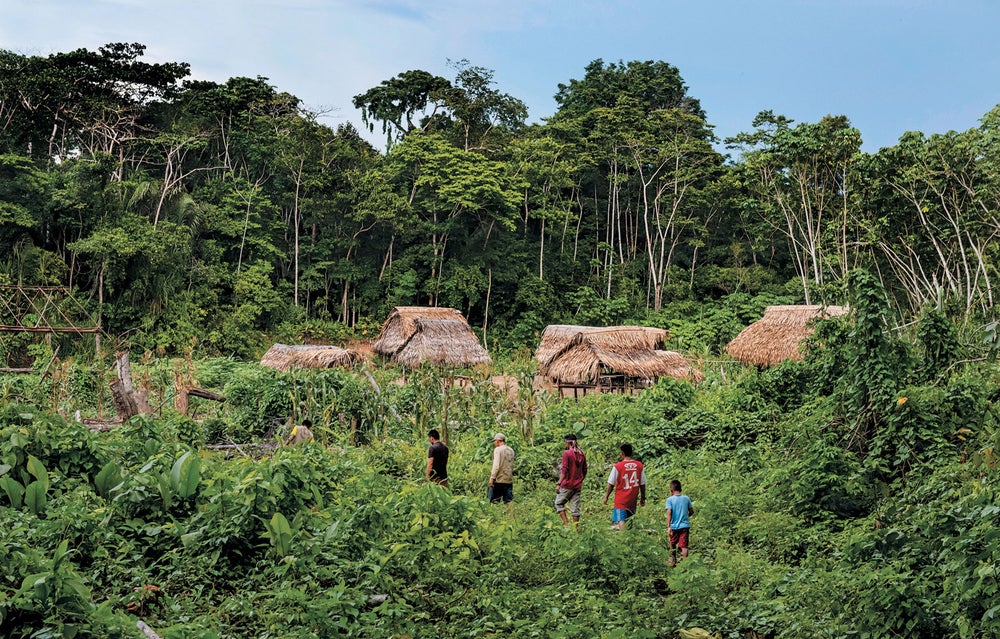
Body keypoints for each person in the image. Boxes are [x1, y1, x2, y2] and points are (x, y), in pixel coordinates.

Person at [603, 443, 646, 530]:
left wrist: (606, 496)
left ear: (622, 453)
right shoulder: (639, 465)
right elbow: (642, 484)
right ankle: (629, 537)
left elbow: (611, 484)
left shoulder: (618, 466)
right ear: (632, 453)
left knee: (621, 520)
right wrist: (642, 498)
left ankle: (623, 538)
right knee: (630, 519)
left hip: (621, 500)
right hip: (633, 499)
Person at [555, 433, 588, 526]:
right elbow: (585, 469)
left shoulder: (567, 453)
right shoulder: (582, 453)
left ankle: (566, 524)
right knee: (575, 508)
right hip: (577, 485)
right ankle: (575, 528)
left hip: (567, 484)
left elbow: (564, 469)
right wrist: (580, 479)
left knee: (558, 503)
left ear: (567, 442)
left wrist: (559, 483)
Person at [665, 479, 694, 566]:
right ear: (681, 489)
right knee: (684, 546)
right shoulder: (686, 498)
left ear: (671, 490)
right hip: (684, 526)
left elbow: (669, 512)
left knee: (672, 543)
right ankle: (685, 563)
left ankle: (672, 562)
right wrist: (685, 517)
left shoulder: (669, 500)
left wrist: (668, 526)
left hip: (673, 526)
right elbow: (691, 511)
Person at [488, 432, 515, 506]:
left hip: (499, 480)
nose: (494, 443)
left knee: (494, 501)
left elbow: (496, 466)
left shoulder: (498, 450)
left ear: (498, 441)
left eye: (494, 441)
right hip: (508, 480)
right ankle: (511, 517)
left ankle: (493, 517)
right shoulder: (511, 450)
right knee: (509, 502)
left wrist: (492, 478)